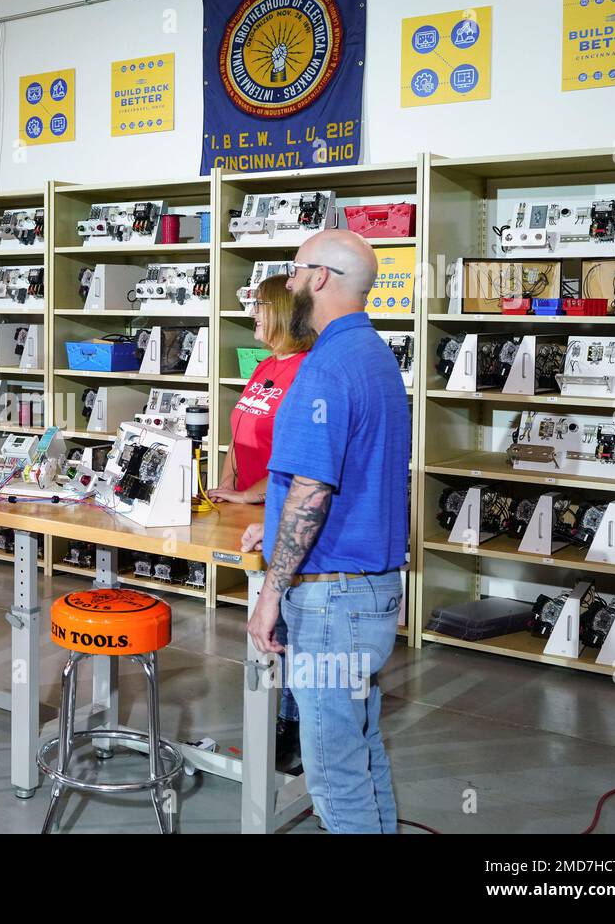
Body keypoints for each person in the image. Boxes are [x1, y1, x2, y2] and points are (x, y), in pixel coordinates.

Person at [240, 229, 409, 833]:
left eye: (293, 270)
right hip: (371, 588)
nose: (286, 283)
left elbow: (313, 491)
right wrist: (275, 524)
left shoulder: (326, 367)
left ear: (319, 278)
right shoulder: (374, 355)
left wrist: (268, 594)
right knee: (360, 747)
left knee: (333, 771)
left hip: (334, 600)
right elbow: (350, 475)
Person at [209, 274, 315, 774]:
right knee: (271, 618)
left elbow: (298, 462)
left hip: (279, 510)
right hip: (248, 509)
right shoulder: (268, 367)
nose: (252, 315)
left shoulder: (308, 373)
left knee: (287, 622)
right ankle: (277, 718)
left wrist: (252, 496)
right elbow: (239, 436)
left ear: (281, 313)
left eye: (259, 308)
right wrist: (225, 490)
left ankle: (292, 731)